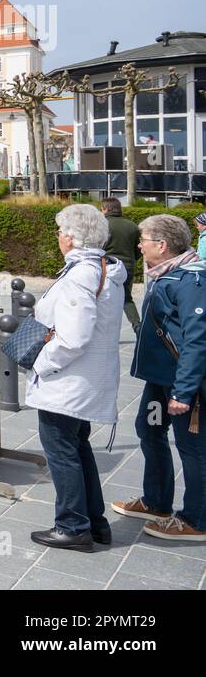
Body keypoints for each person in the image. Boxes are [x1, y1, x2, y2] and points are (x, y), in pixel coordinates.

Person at [25, 203, 126, 552]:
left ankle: (72, 526)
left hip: (66, 384)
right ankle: (95, 523)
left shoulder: (80, 276)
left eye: (59, 232)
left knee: (62, 453)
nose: (57, 237)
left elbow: (74, 338)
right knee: (79, 449)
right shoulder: (103, 270)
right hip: (85, 382)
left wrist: (41, 364)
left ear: (70, 238)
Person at [112, 214, 206, 542]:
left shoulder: (191, 280)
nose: (139, 246)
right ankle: (156, 502)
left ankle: (197, 518)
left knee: (193, 447)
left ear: (162, 246)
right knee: (149, 430)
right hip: (160, 379)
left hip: (182, 385)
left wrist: (184, 392)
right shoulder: (166, 274)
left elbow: (197, 340)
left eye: (144, 241)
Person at [101, 198, 142, 336]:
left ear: (106, 209)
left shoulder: (102, 225)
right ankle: (137, 325)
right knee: (126, 298)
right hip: (128, 266)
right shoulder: (132, 226)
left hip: (106, 267)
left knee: (103, 299)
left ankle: (107, 332)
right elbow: (138, 250)